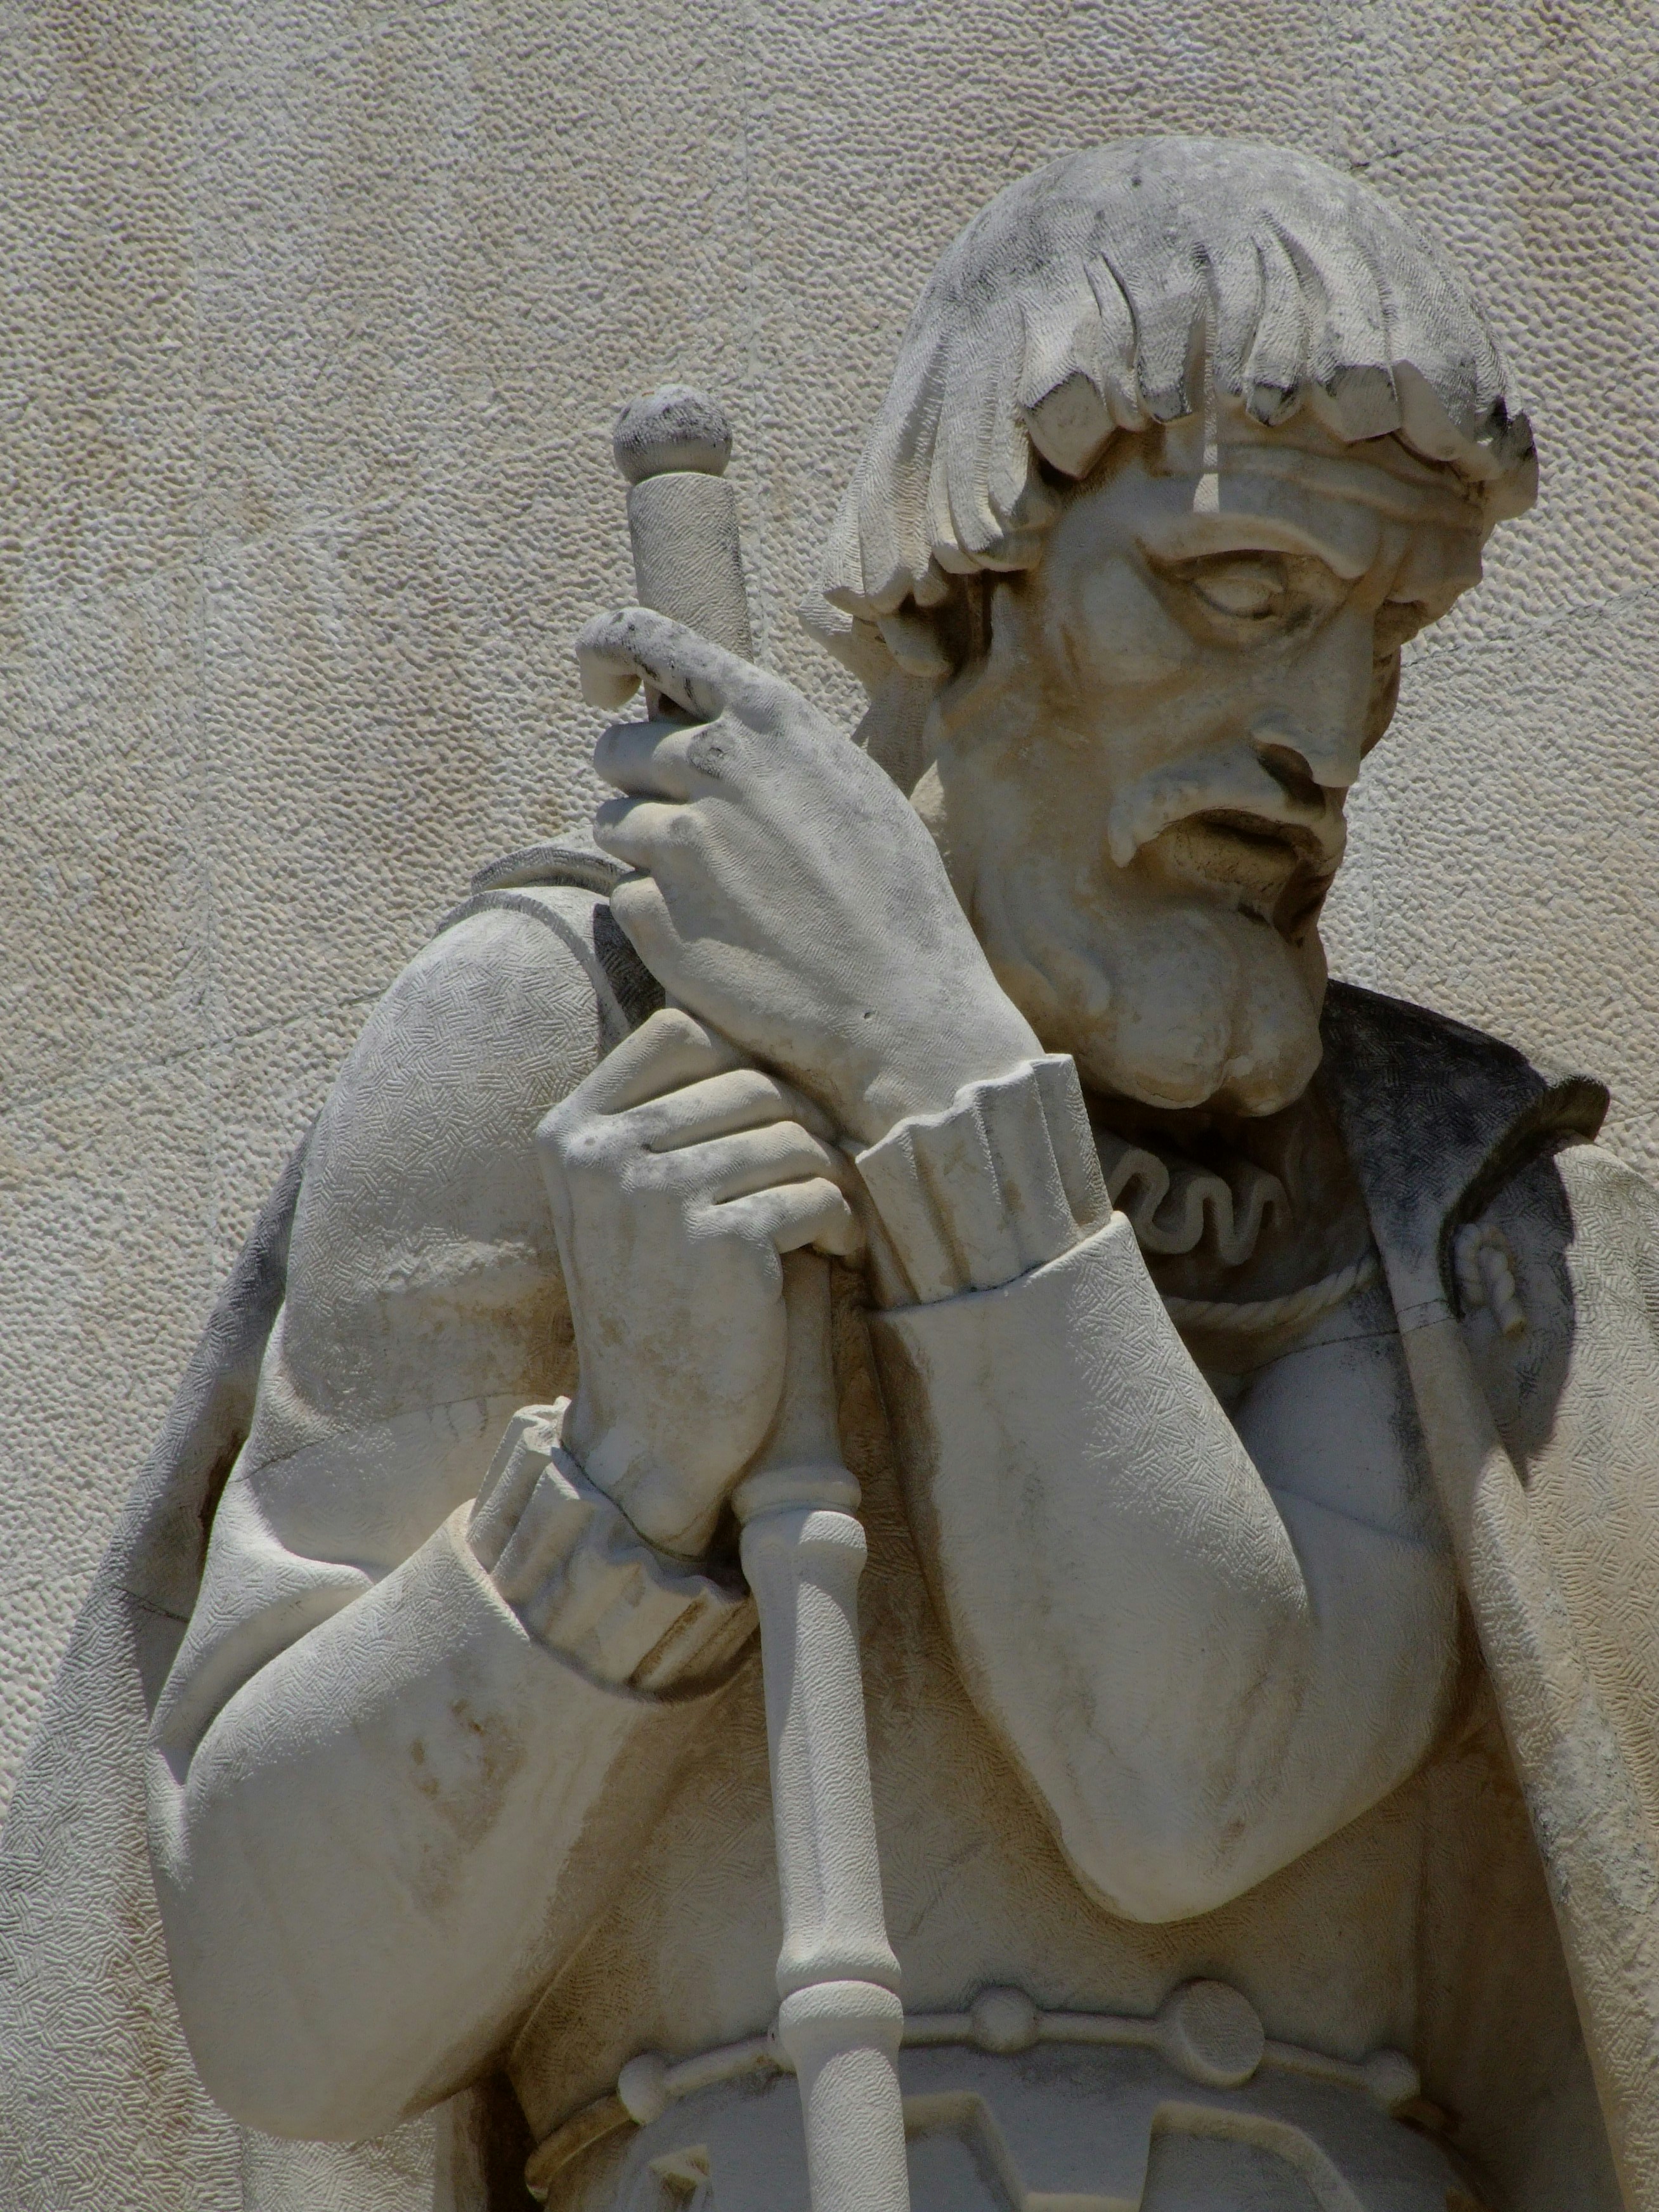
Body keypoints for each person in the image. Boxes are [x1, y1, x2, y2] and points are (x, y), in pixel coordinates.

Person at [15, 138, 1659, 2212]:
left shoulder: (1430, 1201)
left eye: (1388, 633)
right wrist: (619, 1492)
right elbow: (279, 2008)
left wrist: (928, 1069)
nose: (1325, 729)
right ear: (958, 593)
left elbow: (1182, 1774)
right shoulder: (570, 1040)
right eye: (1236, 597)